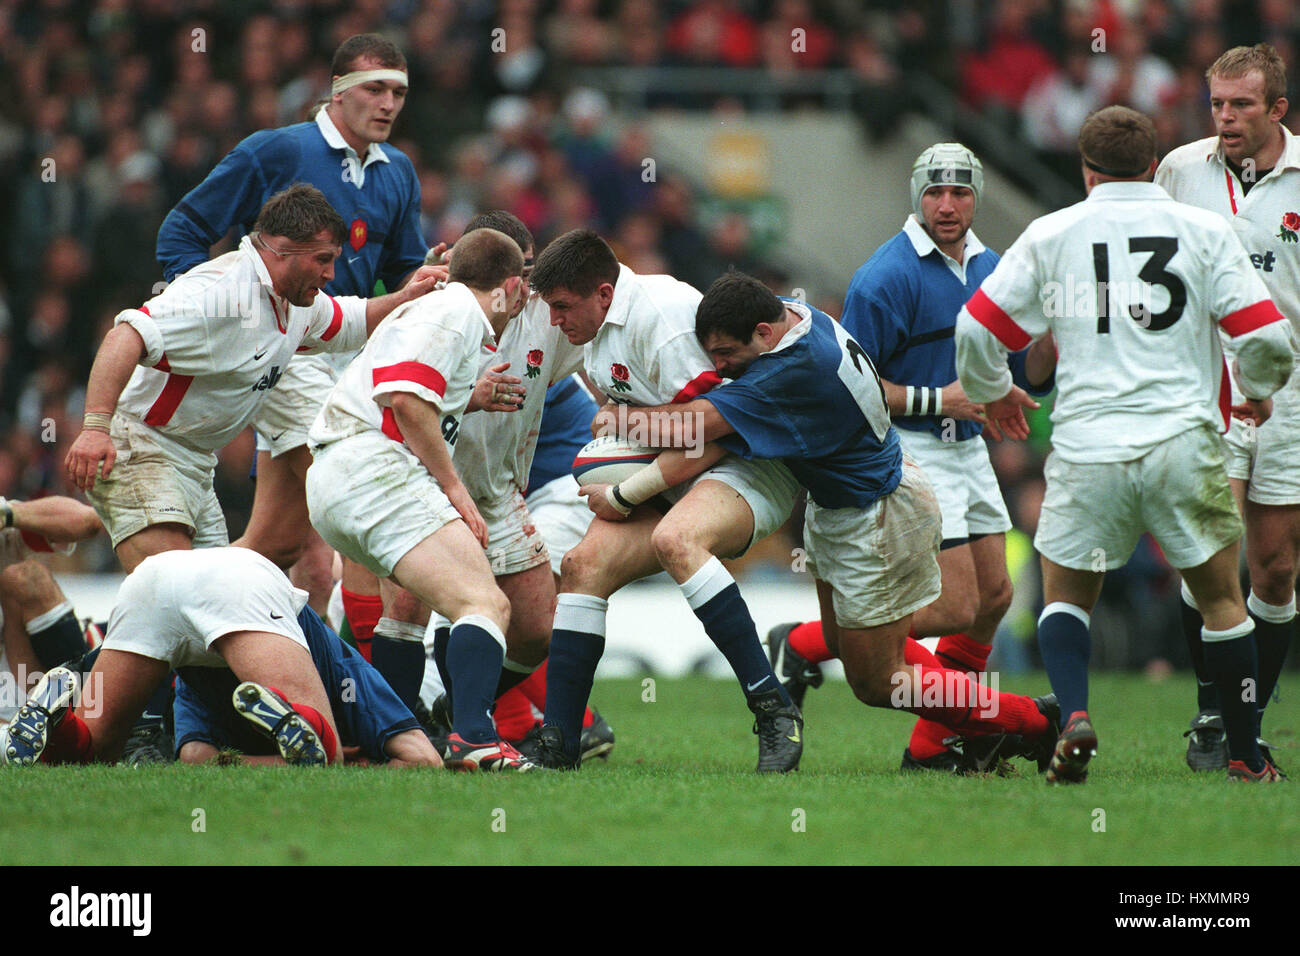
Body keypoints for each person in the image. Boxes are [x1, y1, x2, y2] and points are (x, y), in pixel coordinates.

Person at [578, 271, 1060, 773]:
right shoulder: (796, 314)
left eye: (725, 354)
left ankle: (1033, 722)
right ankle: (993, 724)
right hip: (841, 507)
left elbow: (693, 425)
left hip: (877, 516)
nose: (719, 368)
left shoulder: (791, 369)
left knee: (878, 680)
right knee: (855, 649)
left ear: (764, 333)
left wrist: (616, 419)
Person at [956, 105, 1293, 783]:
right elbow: (1263, 336)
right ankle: (1244, 755)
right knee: (1224, 600)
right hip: (1182, 441)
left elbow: (975, 327)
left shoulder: (1053, 232)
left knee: (1065, 597)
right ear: (1153, 167)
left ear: (1085, 170)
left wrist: (993, 392)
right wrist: (1258, 389)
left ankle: (1076, 716)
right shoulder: (1201, 228)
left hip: (1089, 444)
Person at [764, 143, 1057, 772]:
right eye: (934, 192)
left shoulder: (993, 266)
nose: (946, 206)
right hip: (913, 453)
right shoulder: (884, 278)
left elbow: (1013, 370)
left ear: (977, 197)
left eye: (959, 193)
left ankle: (931, 746)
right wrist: (938, 399)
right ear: (916, 196)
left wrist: (1053, 338)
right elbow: (852, 388)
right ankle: (811, 643)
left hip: (969, 446)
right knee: (953, 607)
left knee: (995, 597)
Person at [157, 33, 430, 622]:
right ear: (336, 93)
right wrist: (221, 308)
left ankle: (170, 629)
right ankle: (373, 695)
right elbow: (182, 230)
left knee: (286, 546)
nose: (388, 103)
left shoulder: (398, 171)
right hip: (287, 354)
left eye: (399, 92)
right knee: (358, 496)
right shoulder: (276, 151)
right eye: (375, 88)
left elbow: (401, 270)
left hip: (346, 353)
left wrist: (436, 276)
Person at [526, 230, 803, 773]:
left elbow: (714, 433)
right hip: (676, 468)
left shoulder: (663, 320)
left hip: (748, 464)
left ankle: (775, 710)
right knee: (582, 566)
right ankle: (559, 742)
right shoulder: (598, 326)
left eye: (562, 307)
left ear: (603, 294)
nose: (555, 321)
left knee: (677, 539)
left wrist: (627, 491)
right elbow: (646, 422)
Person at [65, 184, 438, 574]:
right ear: (280, 249)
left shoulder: (292, 301)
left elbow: (349, 321)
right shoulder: (222, 292)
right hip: (142, 448)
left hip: (193, 462)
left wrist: (408, 297)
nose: (331, 273)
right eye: (323, 259)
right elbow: (125, 335)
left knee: (214, 611)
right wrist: (94, 427)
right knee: (181, 602)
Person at [305, 227, 536, 771]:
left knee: (405, 613)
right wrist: (454, 489)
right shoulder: (456, 312)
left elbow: (409, 396)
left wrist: (464, 402)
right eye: (521, 287)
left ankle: (394, 736)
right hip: (376, 472)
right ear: (508, 287)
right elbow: (406, 399)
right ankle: (474, 739)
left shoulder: (437, 308)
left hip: (342, 476)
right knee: (486, 604)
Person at [1154, 43, 1300, 773]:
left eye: (1241, 104)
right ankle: (1217, 716)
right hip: (1207, 382)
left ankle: (1249, 715)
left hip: (1294, 389)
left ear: (1277, 108)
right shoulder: (1181, 170)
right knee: (1210, 555)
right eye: (1217, 104)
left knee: (1274, 570)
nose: (1225, 118)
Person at [0, 548, 445, 767]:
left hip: (153, 579)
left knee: (92, 751)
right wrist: (359, 762)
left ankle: (56, 723)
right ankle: (304, 724)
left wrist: (246, 761)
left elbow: (196, 756)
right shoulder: (349, 669)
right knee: (325, 753)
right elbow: (425, 760)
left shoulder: (200, 674)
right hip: (238, 584)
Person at [174, 601, 438, 768]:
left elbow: (424, 759)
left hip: (270, 613)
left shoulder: (345, 671)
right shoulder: (198, 661)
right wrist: (328, 764)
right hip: (224, 615)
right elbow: (194, 755)